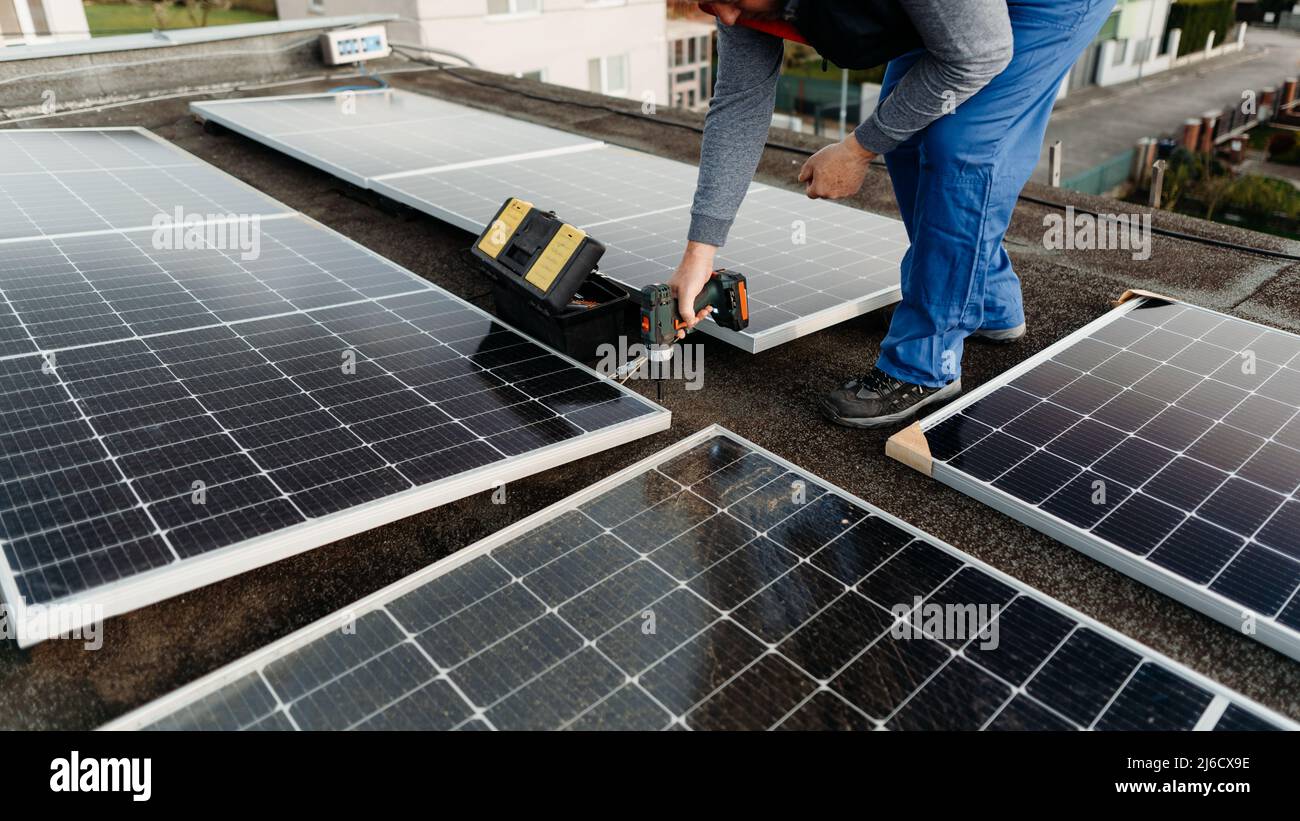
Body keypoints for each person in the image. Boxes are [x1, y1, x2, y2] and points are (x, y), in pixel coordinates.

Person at [670, 0, 1113, 427]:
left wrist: (856, 151)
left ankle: (926, 362)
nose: (724, 14)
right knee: (907, 133)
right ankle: (988, 302)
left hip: (1046, 5)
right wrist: (700, 252)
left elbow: (980, 56)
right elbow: (739, 102)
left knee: (961, 148)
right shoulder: (733, 5)